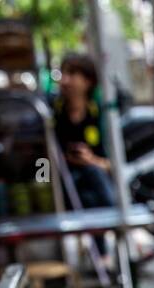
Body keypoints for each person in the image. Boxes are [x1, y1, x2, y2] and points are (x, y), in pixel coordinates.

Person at [53, 54, 117, 209]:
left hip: (93, 182)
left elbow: (113, 165)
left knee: (93, 175)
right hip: (62, 180)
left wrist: (90, 160)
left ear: (88, 81)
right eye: (63, 74)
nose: (64, 81)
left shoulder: (100, 115)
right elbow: (41, 163)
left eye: (72, 74)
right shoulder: (53, 113)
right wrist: (54, 163)